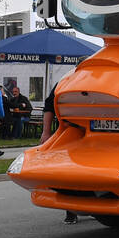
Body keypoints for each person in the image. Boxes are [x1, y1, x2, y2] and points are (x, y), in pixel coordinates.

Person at [40, 79, 78, 225]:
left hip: (88, 134)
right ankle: (71, 210)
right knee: (70, 173)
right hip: (69, 133)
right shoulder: (65, 82)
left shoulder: (66, 81)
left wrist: (46, 132)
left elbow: (48, 107)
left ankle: (84, 208)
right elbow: (49, 106)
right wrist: (46, 132)